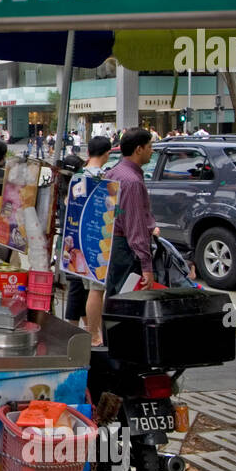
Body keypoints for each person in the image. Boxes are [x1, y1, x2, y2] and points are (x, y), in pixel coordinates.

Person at [63, 136, 113, 345]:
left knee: (79, 286)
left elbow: (69, 205)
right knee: (95, 289)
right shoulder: (104, 179)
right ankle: (93, 334)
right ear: (107, 153)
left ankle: (84, 331)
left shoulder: (77, 178)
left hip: (74, 240)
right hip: (97, 238)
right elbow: (111, 210)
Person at [103, 127, 158, 297]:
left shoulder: (114, 172)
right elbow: (135, 226)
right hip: (125, 249)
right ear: (138, 149)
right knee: (126, 300)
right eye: (149, 146)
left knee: (114, 298)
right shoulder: (132, 181)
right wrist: (146, 266)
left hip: (112, 243)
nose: (152, 151)